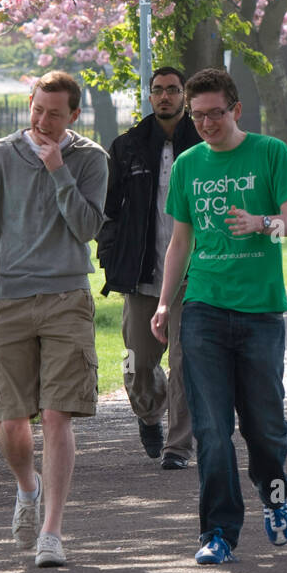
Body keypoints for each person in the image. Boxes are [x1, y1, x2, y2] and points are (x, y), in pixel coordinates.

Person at [150, 67, 287, 565]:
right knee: (212, 430)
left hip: (260, 312)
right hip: (203, 311)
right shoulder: (189, 165)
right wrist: (162, 301)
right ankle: (218, 532)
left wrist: (262, 224)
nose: (205, 124)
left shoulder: (270, 153)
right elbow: (180, 242)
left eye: (215, 113)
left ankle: (275, 495)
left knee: (264, 428)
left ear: (236, 109)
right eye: (197, 116)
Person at [0, 70, 108, 568]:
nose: (43, 121)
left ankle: (52, 531)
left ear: (74, 115)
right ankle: (26, 489)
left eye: (55, 113)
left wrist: (58, 169)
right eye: (37, 109)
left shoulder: (92, 159)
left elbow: (88, 227)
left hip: (66, 297)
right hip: (8, 299)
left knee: (56, 415)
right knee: (11, 422)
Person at [98, 66, 201, 467]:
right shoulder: (128, 147)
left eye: (173, 90)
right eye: (157, 90)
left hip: (192, 276)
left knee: (184, 361)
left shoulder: (202, 144)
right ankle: (148, 413)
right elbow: (109, 210)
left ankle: (179, 446)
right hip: (141, 273)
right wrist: (110, 255)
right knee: (137, 361)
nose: (164, 97)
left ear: (184, 96)